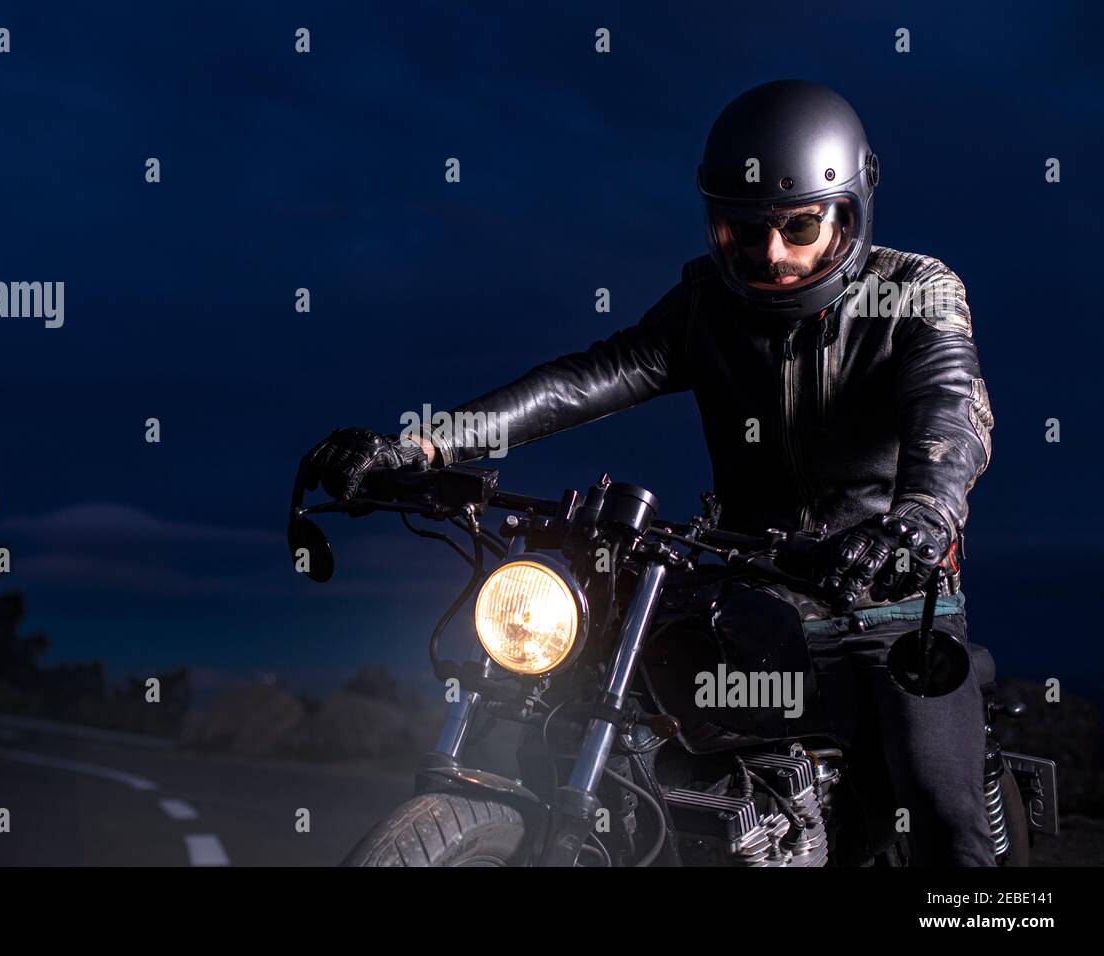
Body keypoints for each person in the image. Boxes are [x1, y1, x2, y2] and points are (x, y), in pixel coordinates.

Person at [297, 80, 996, 866]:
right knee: (587, 695)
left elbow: (949, 410)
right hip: (750, 588)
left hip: (888, 601)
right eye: (744, 228)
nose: (771, 253)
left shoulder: (916, 292)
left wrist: (921, 517)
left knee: (939, 810)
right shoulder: (706, 307)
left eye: (799, 226)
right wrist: (422, 447)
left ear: (849, 211)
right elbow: (582, 381)